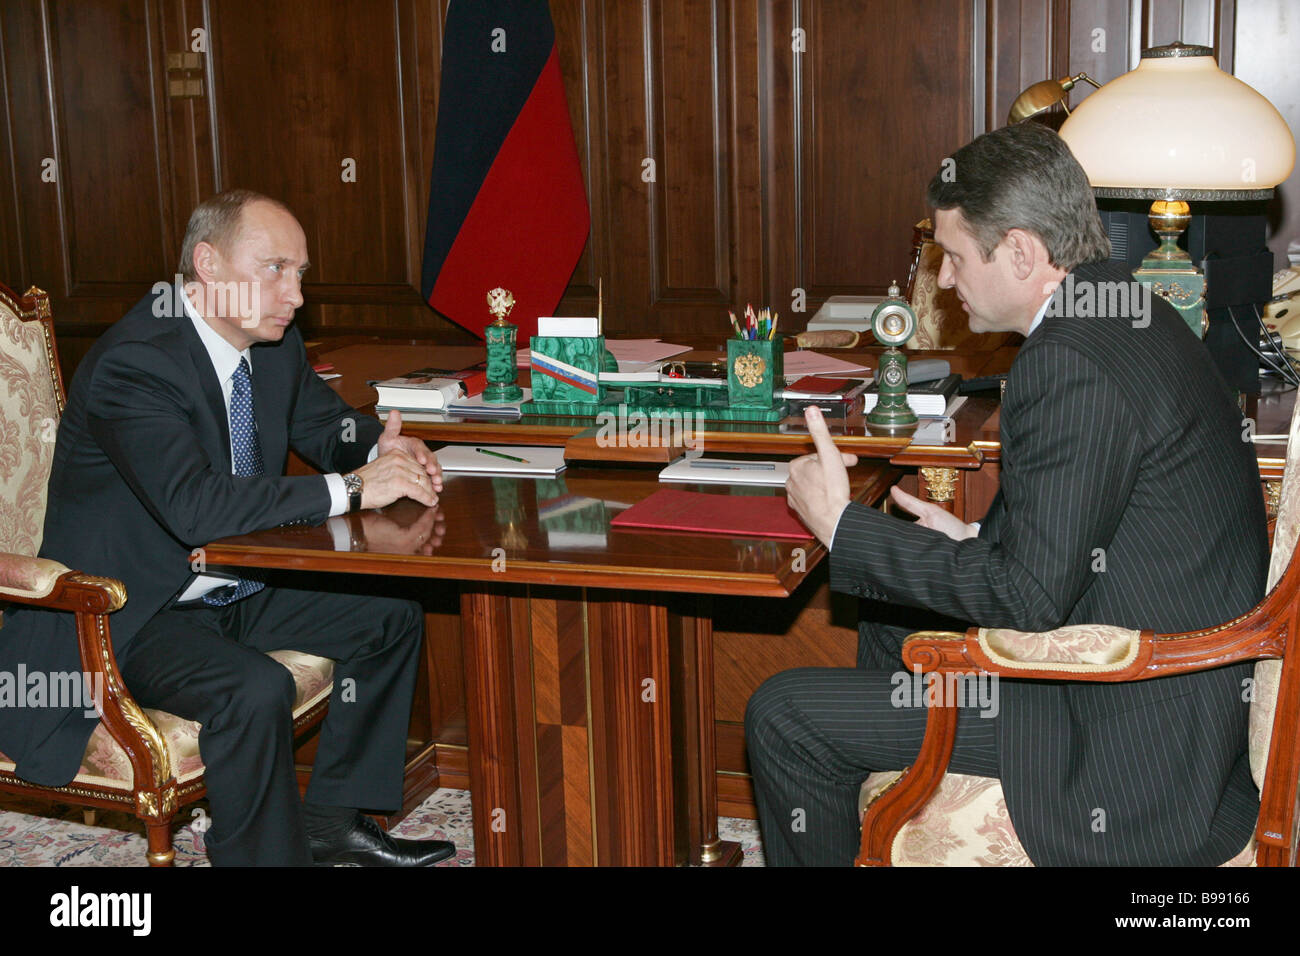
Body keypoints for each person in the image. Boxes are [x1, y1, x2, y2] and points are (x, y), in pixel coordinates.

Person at [746, 122, 1268, 866]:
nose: (947, 280)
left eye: (955, 256)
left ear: (1021, 251)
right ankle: (888, 807)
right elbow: (1088, 528)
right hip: (1152, 675)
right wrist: (968, 543)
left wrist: (839, 526)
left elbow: (1029, 600)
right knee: (891, 617)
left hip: (1120, 736)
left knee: (783, 713)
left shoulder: (1069, 363)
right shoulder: (1121, 307)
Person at [0, 189, 455, 866]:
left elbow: (325, 426)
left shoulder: (270, 344)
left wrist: (378, 448)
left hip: (231, 587)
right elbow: (197, 508)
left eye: (299, 273)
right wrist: (356, 488)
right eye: (275, 268)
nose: (293, 294)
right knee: (254, 689)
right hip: (132, 610)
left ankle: (331, 823)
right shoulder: (138, 361)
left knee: (387, 616)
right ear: (207, 266)